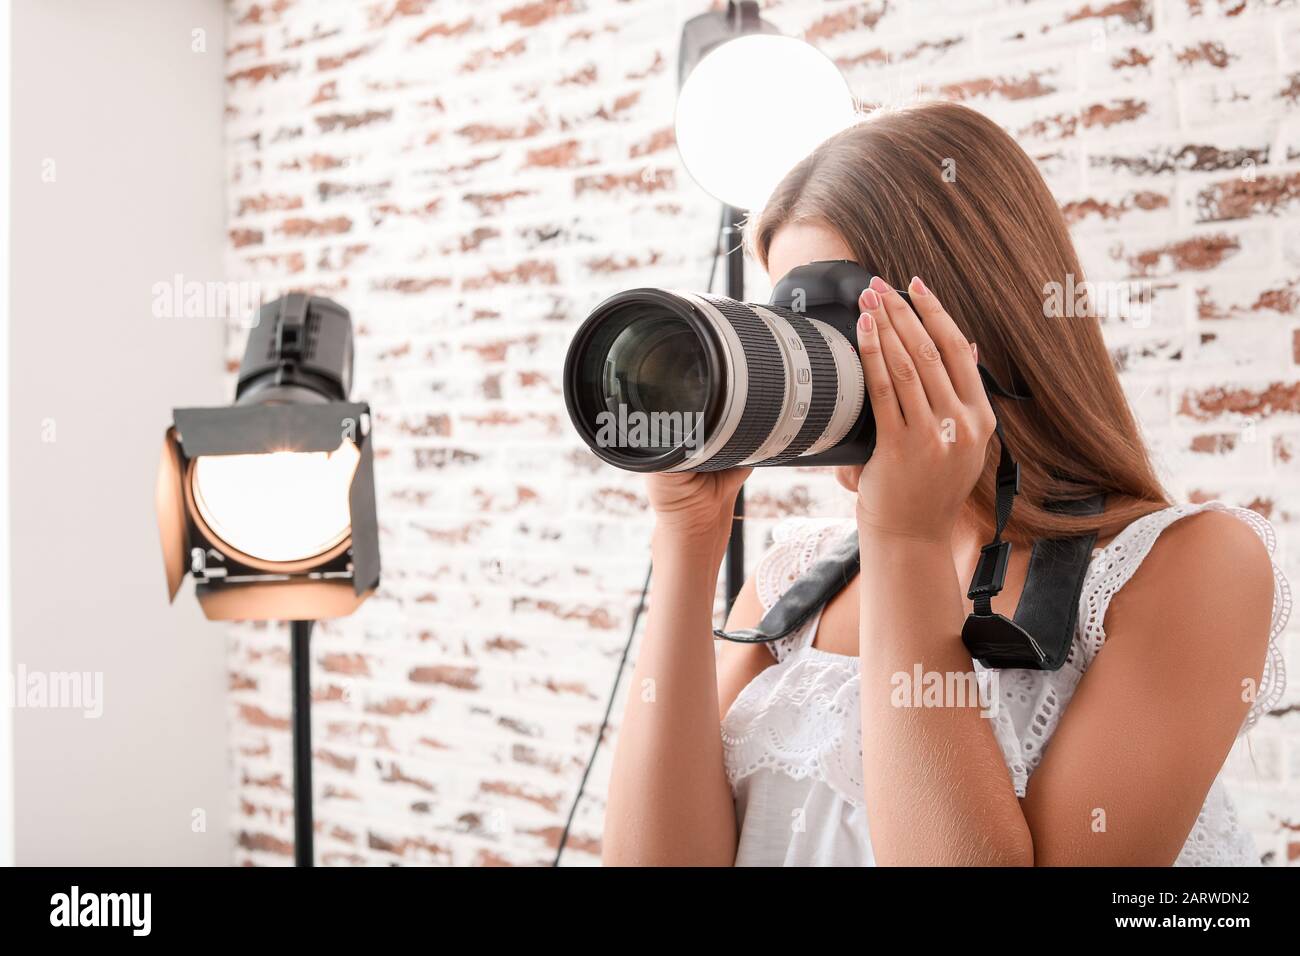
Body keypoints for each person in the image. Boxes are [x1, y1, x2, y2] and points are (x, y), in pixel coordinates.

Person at [601, 101, 1288, 866]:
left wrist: (906, 539)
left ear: (981, 320)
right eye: (788, 324)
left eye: (845, 321)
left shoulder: (1188, 567)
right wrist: (687, 541)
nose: (807, 362)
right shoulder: (796, 582)